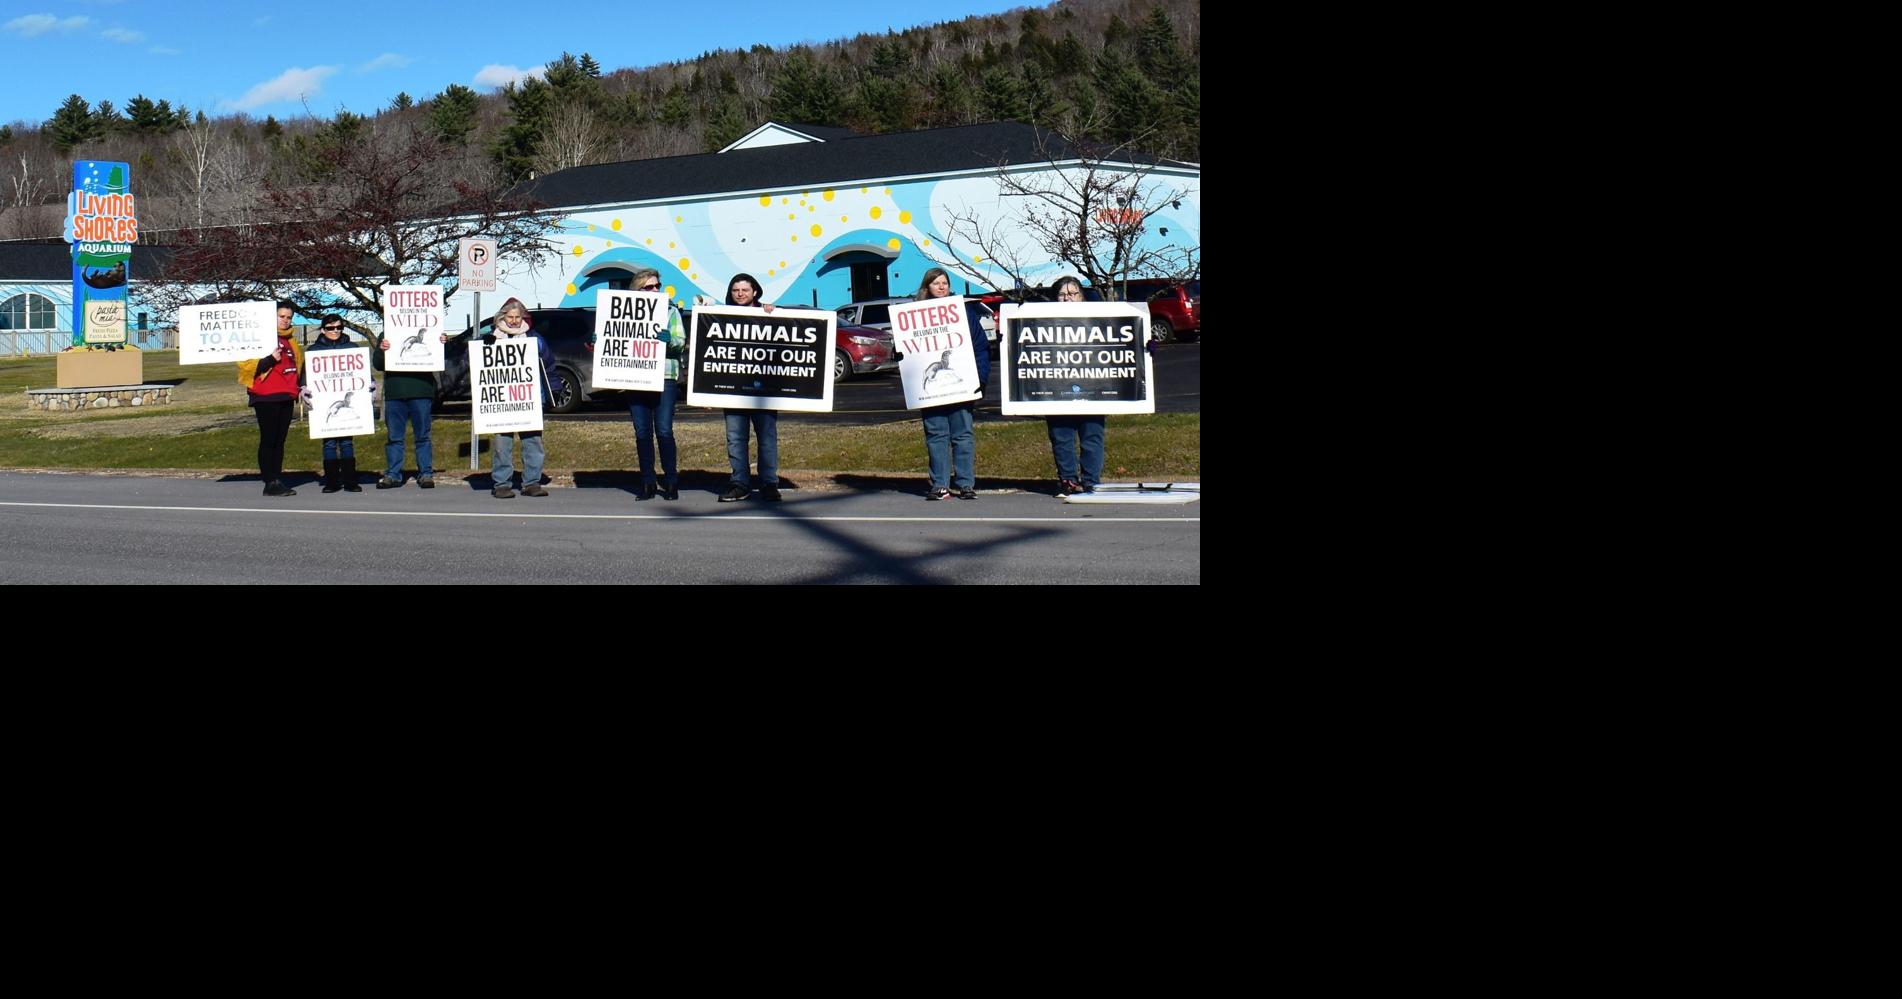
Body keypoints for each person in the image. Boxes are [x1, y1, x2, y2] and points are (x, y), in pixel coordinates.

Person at [913, 268, 988, 500]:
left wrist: (981, 379)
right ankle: (940, 485)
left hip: (961, 386)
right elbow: (907, 353)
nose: (941, 287)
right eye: (936, 283)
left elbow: (980, 347)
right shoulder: (914, 316)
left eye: (944, 282)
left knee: (962, 435)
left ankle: (965, 484)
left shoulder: (962, 312)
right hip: (932, 392)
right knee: (936, 435)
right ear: (927, 287)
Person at [482, 298, 564, 499]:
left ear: (524, 318)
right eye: (510, 317)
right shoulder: (490, 338)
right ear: (502, 317)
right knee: (502, 443)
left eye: (518, 317)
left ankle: (531, 482)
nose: (514, 321)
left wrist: (554, 389)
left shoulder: (534, 339)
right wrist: (485, 345)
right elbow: (474, 362)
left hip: (529, 399)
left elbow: (548, 364)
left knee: (533, 442)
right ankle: (501, 484)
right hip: (501, 401)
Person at [719, 272, 781, 502]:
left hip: (763, 391)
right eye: (736, 290)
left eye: (745, 290)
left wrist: (774, 313)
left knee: (766, 437)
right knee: (735, 438)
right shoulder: (721, 316)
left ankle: (769, 483)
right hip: (733, 390)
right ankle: (740, 483)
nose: (740, 294)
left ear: (755, 291)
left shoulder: (769, 313)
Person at [1042, 276, 1107, 496]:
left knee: (1092, 435)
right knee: (1061, 436)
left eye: (1073, 293)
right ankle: (1068, 480)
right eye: (1062, 294)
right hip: (1057, 387)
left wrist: (1146, 345)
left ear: (1082, 296)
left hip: (1093, 387)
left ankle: (1090, 481)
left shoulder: (1099, 319)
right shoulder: (1042, 321)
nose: (1067, 298)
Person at [625, 267, 685, 501]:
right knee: (642, 433)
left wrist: (670, 341)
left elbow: (681, 341)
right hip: (635, 378)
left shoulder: (670, 311)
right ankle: (647, 482)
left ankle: (671, 481)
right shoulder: (625, 312)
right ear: (638, 289)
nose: (655, 289)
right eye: (649, 286)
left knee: (664, 431)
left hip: (664, 378)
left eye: (657, 285)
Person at [236, 301, 306, 497]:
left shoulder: (290, 340)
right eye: (281, 316)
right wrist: (268, 359)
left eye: (289, 317)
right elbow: (246, 367)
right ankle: (270, 481)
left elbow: (297, 365)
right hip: (266, 396)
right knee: (269, 439)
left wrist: (300, 386)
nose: (285, 320)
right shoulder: (257, 338)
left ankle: (276, 477)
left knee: (280, 440)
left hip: (286, 394)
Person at [373, 310, 448, 490]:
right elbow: (377, 363)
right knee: (394, 437)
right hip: (395, 393)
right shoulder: (386, 335)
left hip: (421, 391)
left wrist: (442, 343)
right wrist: (382, 350)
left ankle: (425, 473)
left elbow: (438, 357)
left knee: (422, 436)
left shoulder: (433, 333)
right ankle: (393, 474)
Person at [302, 314, 375, 494]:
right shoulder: (313, 351)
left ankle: (350, 480)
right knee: (328, 443)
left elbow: (364, 374)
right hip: (323, 405)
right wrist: (303, 388)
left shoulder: (352, 348)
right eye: (330, 328)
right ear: (322, 329)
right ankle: (332, 481)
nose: (335, 331)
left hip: (346, 407)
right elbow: (304, 377)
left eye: (338, 327)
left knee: (347, 443)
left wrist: (371, 385)